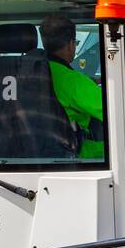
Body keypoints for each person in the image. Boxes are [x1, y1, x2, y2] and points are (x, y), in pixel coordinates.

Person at [40, 15, 105, 159]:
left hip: (33, 152)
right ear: (70, 44)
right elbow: (114, 113)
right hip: (75, 157)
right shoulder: (72, 80)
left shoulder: (29, 74)